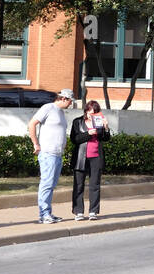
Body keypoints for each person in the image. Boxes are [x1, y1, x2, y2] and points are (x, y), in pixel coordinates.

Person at [27, 88, 74, 223]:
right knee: (46, 184)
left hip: (57, 154)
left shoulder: (60, 112)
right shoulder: (48, 108)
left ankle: (47, 213)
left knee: (51, 185)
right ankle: (43, 215)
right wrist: (36, 144)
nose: (71, 104)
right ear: (64, 98)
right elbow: (32, 124)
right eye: (70, 101)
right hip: (48, 153)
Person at [70, 99, 111, 219]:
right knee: (78, 185)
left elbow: (106, 138)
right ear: (86, 111)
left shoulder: (98, 122)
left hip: (96, 157)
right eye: (90, 112)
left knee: (95, 185)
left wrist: (106, 127)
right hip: (80, 157)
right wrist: (88, 134)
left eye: (95, 113)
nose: (92, 115)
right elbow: (75, 139)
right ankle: (78, 211)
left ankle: (93, 211)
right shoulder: (77, 122)